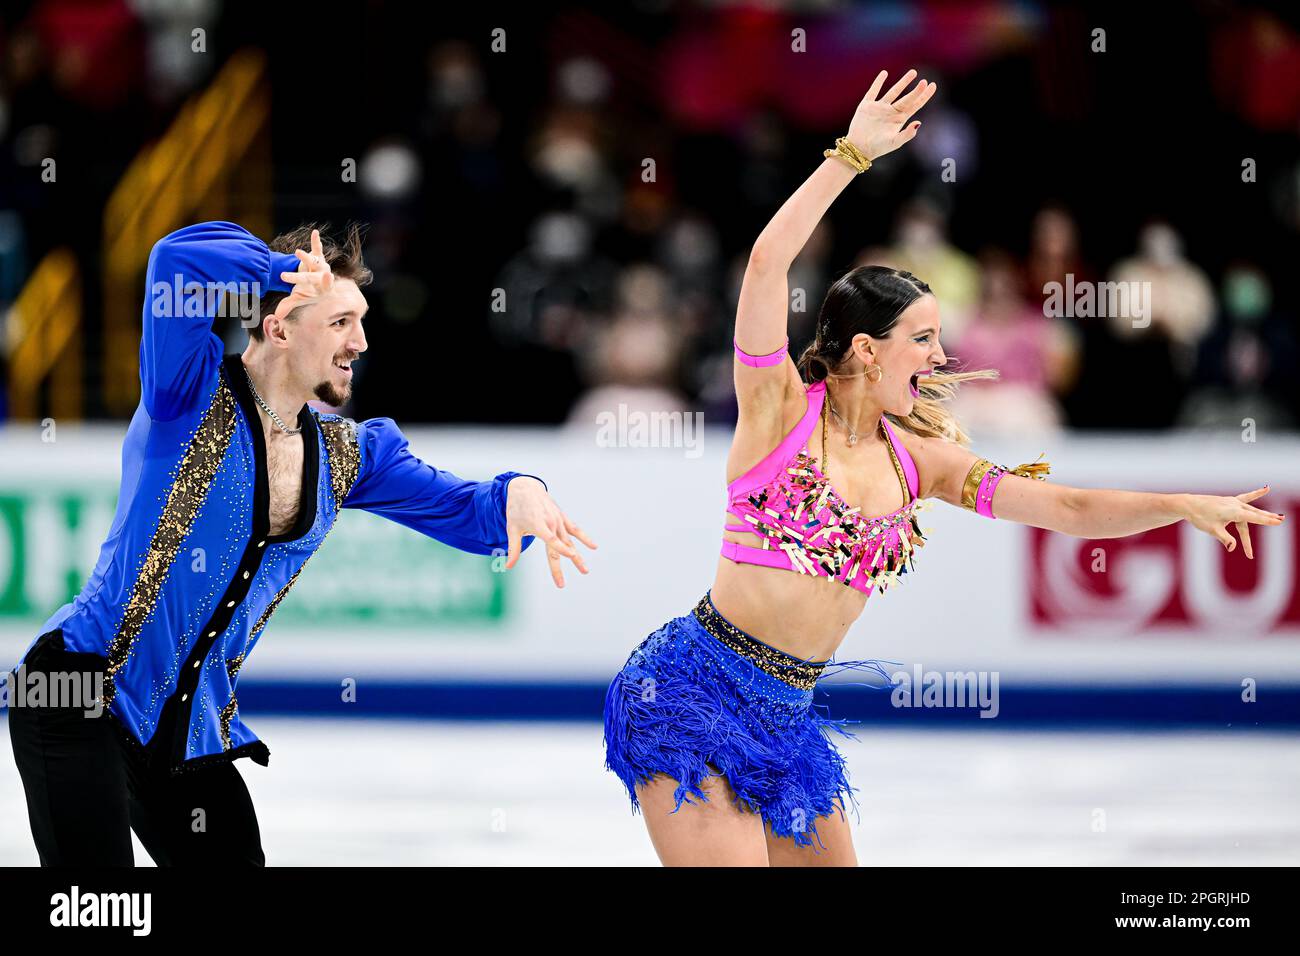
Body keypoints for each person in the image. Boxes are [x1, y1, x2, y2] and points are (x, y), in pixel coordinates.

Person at [602, 69, 1283, 867]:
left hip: (788, 717)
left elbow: (1061, 507)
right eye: (921, 339)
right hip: (688, 694)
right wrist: (850, 156)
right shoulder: (778, 413)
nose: (939, 355)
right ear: (865, 348)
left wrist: (1178, 505)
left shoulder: (920, 461)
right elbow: (764, 265)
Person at [7, 220, 596, 866]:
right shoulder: (188, 394)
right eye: (341, 321)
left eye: (361, 321)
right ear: (280, 327)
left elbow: (465, 508)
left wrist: (518, 491)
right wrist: (273, 273)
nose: (361, 342)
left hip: (183, 735)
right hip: (77, 691)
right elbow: (175, 262)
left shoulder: (349, 456)